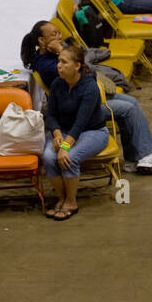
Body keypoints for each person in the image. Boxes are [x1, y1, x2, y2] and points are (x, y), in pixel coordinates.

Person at [22, 21, 152, 173]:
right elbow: (88, 74)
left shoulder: (50, 56)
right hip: (79, 108)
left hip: (84, 98)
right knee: (128, 109)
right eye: (54, 34)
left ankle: (135, 159)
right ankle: (143, 157)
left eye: (59, 32)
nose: (59, 37)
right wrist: (62, 50)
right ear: (41, 40)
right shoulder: (49, 65)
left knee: (132, 102)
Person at [41, 44, 108, 220]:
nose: (58, 65)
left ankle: (71, 202)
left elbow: (81, 122)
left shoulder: (90, 87)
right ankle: (61, 198)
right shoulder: (57, 84)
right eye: (58, 61)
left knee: (69, 157)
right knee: (48, 157)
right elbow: (51, 114)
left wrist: (64, 146)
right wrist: (57, 134)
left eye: (64, 62)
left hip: (92, 131)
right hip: (63, 131)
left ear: (77, 66)